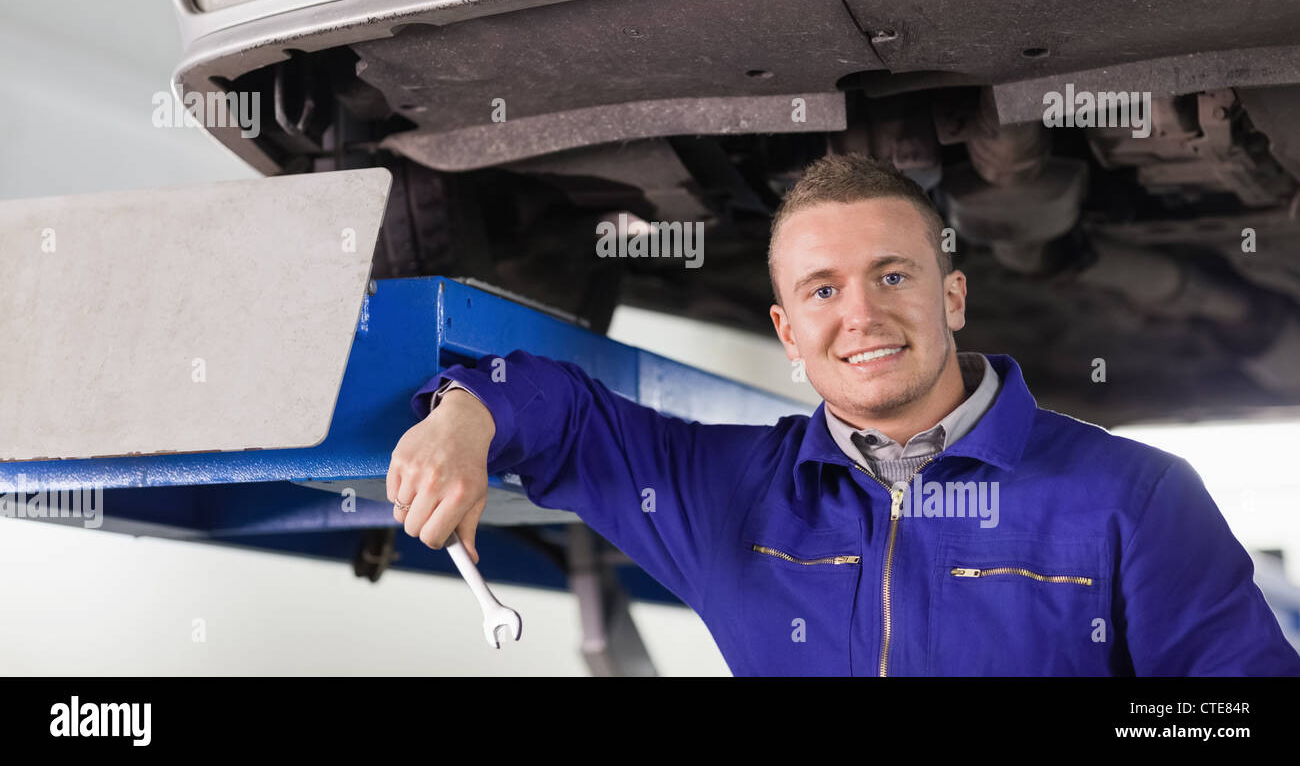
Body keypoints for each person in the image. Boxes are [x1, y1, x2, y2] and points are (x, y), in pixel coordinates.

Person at [386, 153, 1300, 676]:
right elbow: (565, 414)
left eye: (892, 276)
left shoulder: (1132, 497)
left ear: (953, 297)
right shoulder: (724, 495)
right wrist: (466, 414)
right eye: (823, 290)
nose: (860, 315)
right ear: (788, 329)